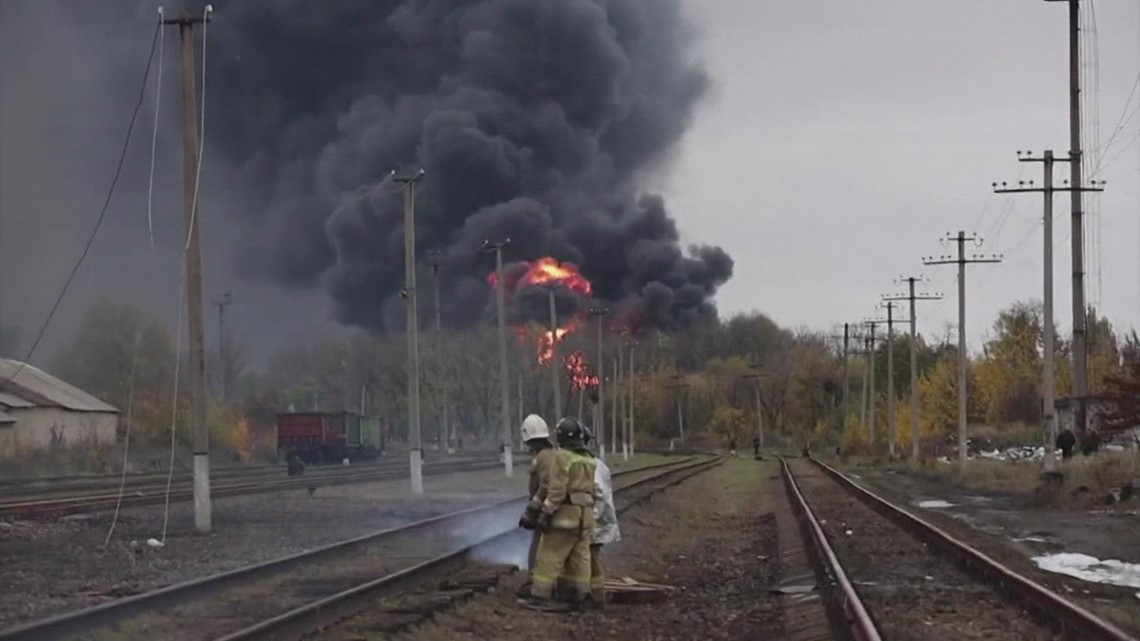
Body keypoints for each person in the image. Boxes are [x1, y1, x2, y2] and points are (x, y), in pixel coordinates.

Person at [520, 417, 597, 611]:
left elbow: (556, 491)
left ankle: (540, 596)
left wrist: (545, 513)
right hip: (585, 518)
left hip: (565, 518)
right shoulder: (589, 459)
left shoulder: (562, 457)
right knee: (580, 558)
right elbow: (593, 491)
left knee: (549, 555)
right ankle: (579, 596)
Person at [516, 414, 558, 596]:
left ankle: (535, 582)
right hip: (551, 506)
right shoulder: (550, 454)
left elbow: (546, 485)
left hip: (546, 508)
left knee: (540, 545)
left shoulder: (543, 457)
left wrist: (534, 508)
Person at [583, 425, 619, 610]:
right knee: (589, 557)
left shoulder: (593, 465)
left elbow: (600, 495)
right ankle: (594, 594)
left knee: (591, 558)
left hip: (596, 522)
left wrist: (591, 518)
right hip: (596, 521)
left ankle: (596, 597)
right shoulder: (594, 463)